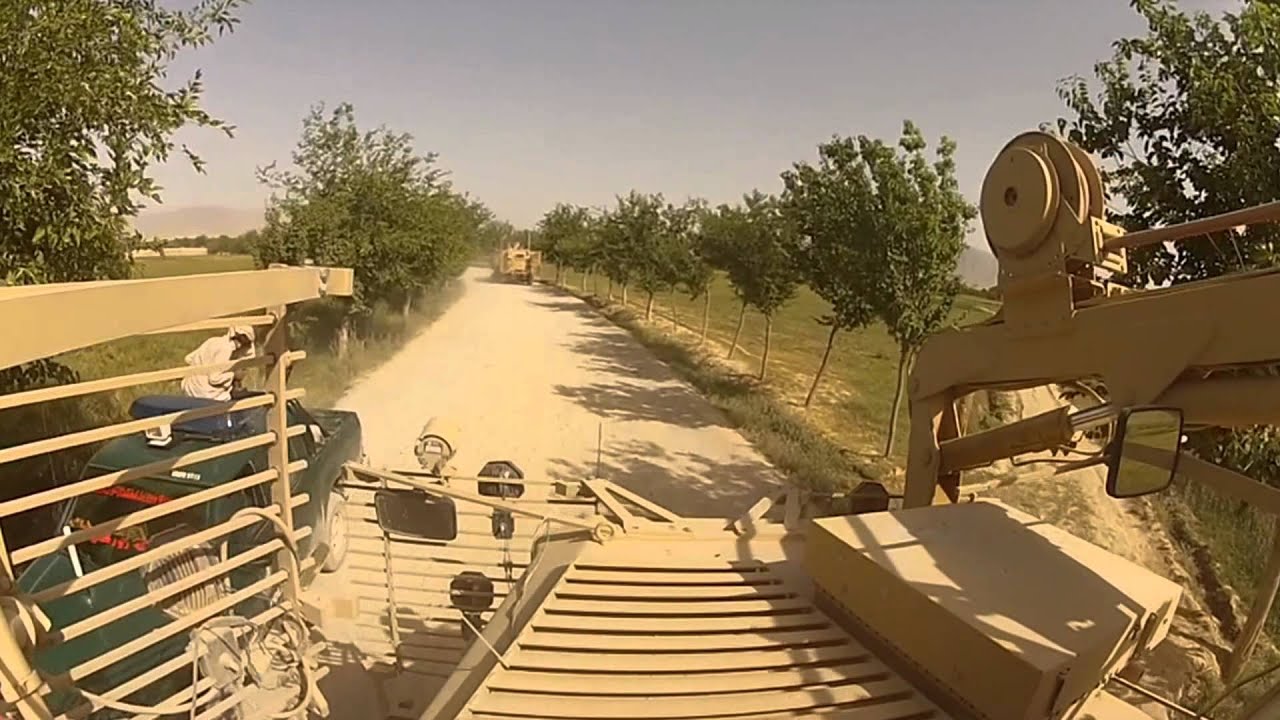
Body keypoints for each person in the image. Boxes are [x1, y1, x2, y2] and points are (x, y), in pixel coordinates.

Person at [180, 325, 256, 401]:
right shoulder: (225, 349)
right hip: (204, 393)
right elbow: (214, 378)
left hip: (189, 389)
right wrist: (234, 375)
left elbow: (189, 358)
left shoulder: (213, 340)